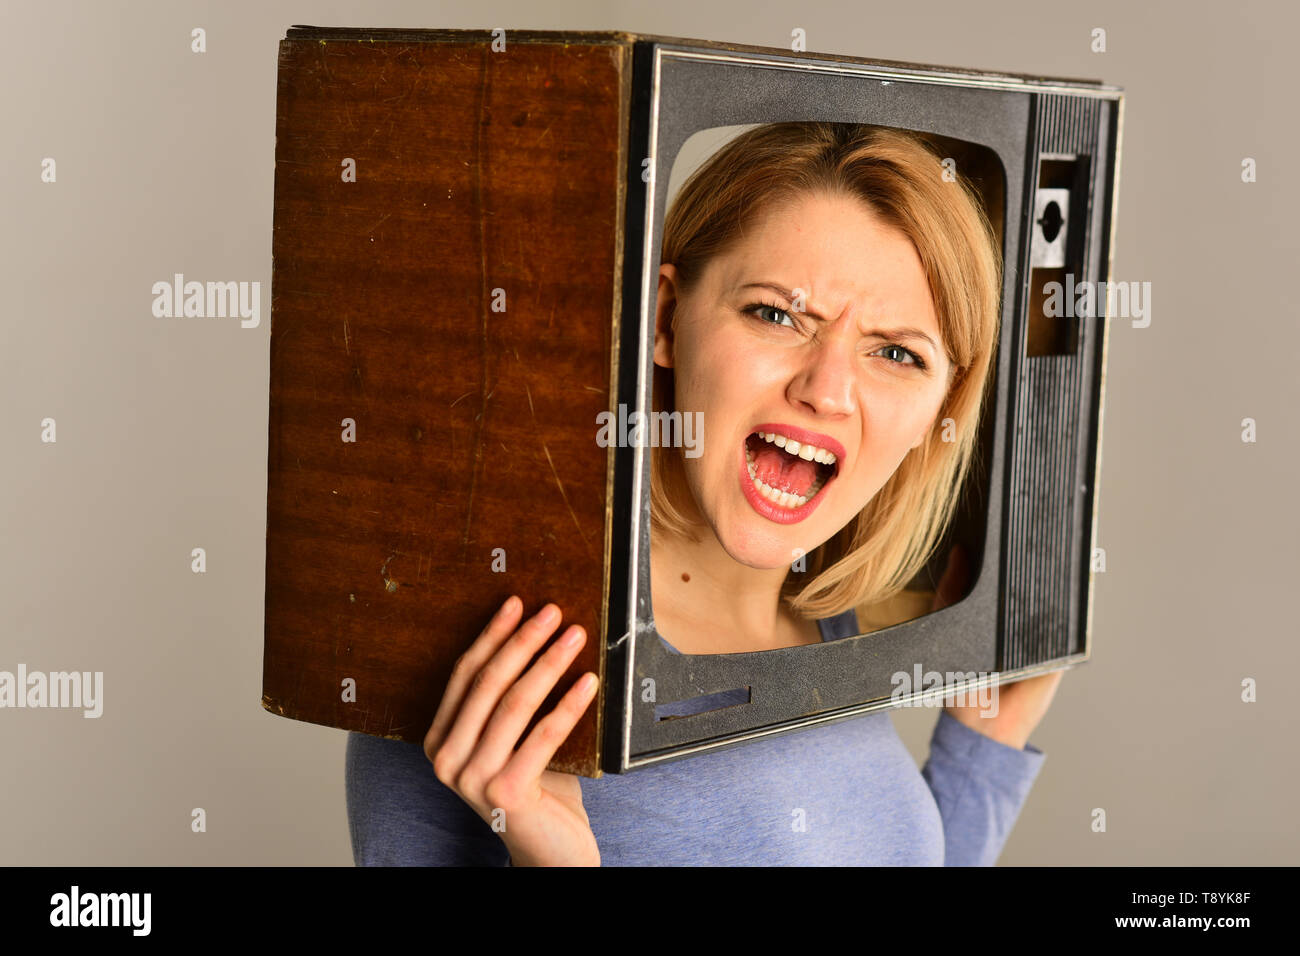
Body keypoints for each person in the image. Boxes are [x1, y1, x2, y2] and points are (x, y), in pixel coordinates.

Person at [345, 122, 1062, 866]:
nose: (828, 390)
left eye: (895, 352)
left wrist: (983, 750)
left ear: (940, 411)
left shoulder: (826, 621)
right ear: (665, 319)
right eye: (777, 314)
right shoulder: (501, 655)